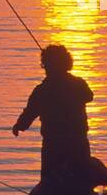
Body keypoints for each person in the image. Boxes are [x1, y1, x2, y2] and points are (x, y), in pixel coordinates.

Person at [13, 43, 94, 185]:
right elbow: (89, 96)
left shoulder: (42, 90)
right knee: (80, 180)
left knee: (50, 182)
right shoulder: (78, 84)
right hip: (77, 141)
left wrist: (19, 126)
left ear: (46, 66)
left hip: (54, 144)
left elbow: (30, 112)